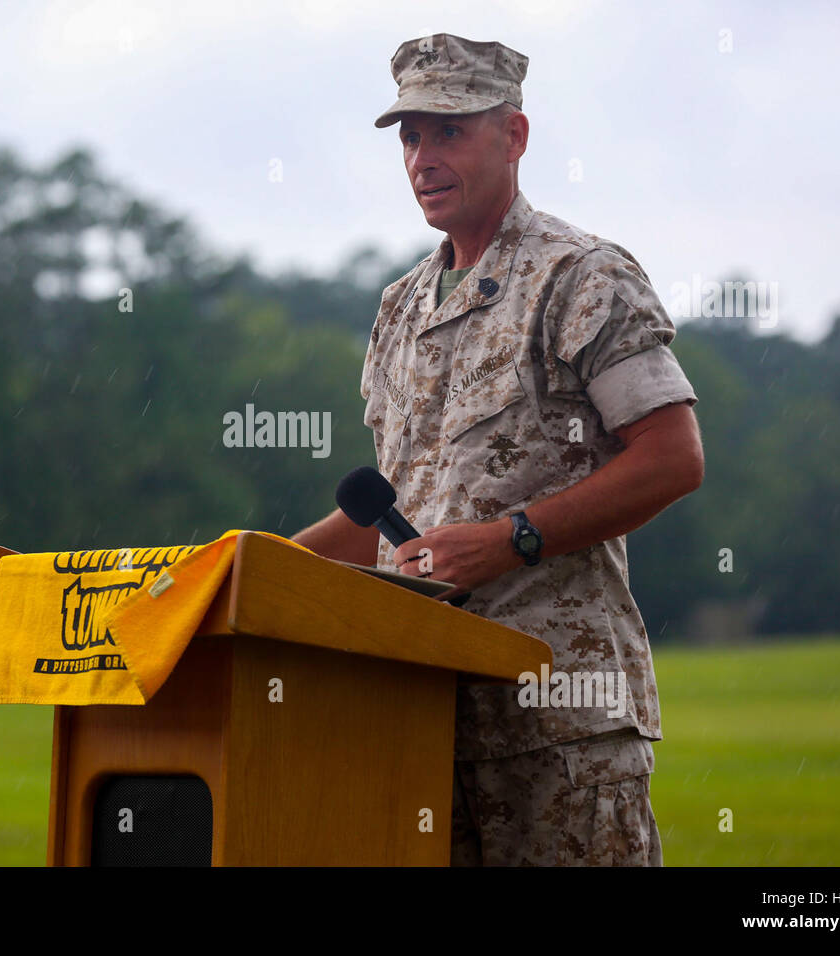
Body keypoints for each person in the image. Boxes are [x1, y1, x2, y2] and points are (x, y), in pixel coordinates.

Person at [291, 34, 704, 866]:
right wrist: (251, 568)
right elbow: (391, 510)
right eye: (410, 135)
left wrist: (511, 538)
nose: (423, 158)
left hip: (558, 721)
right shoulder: (399, 305)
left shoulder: (581, 275)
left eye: (449, 131)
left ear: (513, 137)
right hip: (419, 719)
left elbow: (671, 457)